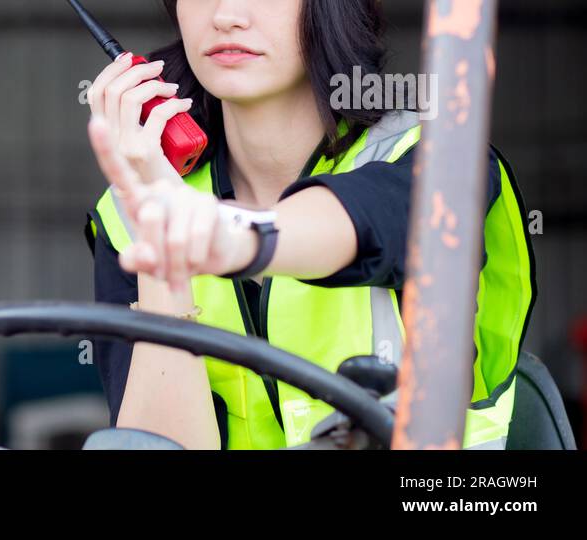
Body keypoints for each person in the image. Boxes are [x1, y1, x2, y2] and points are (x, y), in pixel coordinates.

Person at [83, 0, 534, 449]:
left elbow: (364, 217)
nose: (226, 15)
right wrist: (164, 257)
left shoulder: (436, 162)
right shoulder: (126, 215)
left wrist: (241, 236)